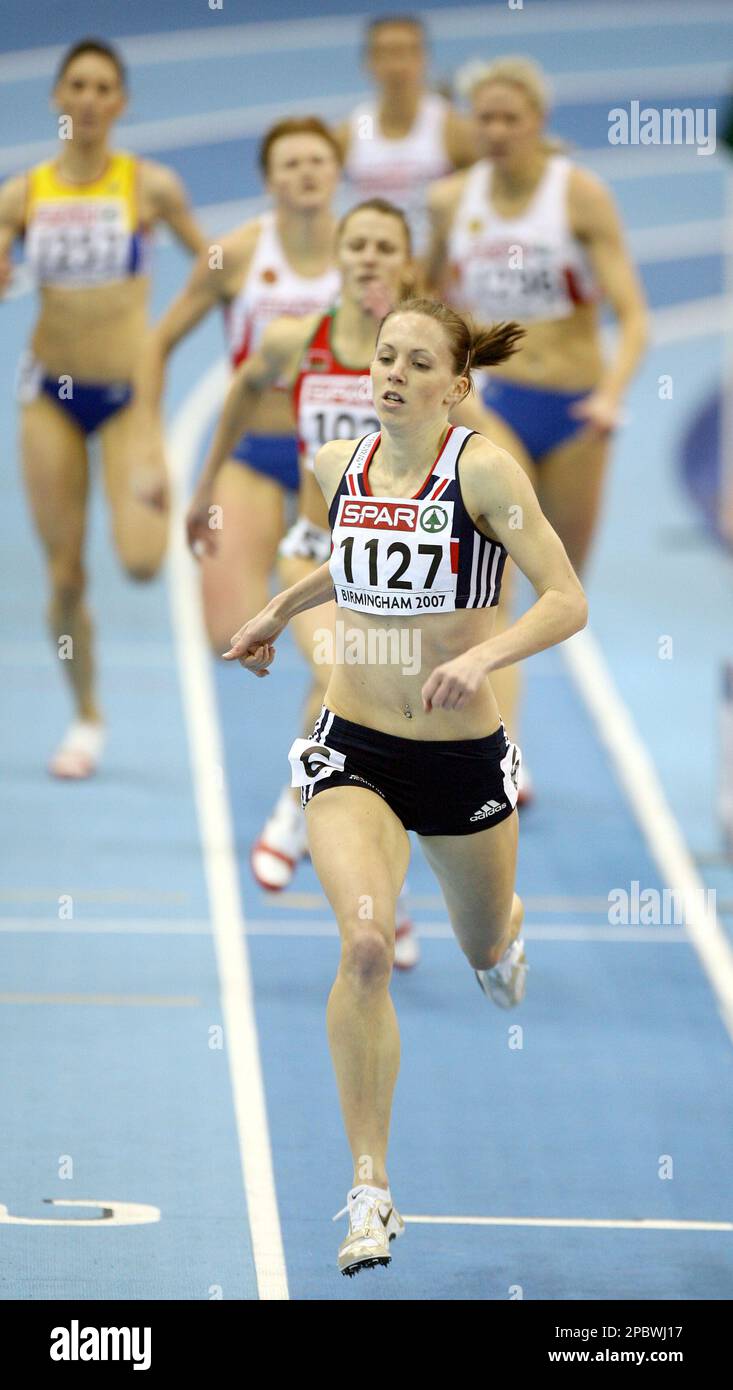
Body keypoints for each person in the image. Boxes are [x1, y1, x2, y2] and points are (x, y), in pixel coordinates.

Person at [222, 298, 588, 1275]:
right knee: (368, 944)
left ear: (454, 386)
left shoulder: (482, 471)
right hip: (357, 751)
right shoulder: (339, 468)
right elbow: (335, 568)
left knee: (480, 946)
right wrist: (269, 611)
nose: (389, 373)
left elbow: (566, 598)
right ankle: (370, 1190)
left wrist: (488, 657)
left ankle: (502, 931)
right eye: (383, 356)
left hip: (460, 759)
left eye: (416, 361)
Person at [188, 198, 420, 967]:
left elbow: (474, 442)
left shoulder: (424, 355)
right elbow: (241, 389)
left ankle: (386, 896)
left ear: (404, 261)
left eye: (384, 246)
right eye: (357, 244)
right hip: (317, 549)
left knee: (392, 725)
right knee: (340, 677)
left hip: (401, 570)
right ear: (341, 256)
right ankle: (295, 816)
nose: (368, 257)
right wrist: (205, 484)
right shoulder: (297, 340)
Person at [427, 56, 648, 799]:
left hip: (577, 406)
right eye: (481, 118)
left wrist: (611, 395)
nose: (493, 131)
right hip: (496, 403)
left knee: (560, 585)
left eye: (507, 118)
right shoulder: (450, 200)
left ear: (537, 123)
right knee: (500, 579)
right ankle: (500, 748)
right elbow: (426, 303)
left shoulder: (578, 197)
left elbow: (635, 313)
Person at [0, 37, 205, 778]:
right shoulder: (24, 194)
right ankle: (87, 717)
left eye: (102, 88)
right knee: (65, 578)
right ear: (57, 98)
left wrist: (166, 344)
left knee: (145, 563)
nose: (87, 100)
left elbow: (213, 268)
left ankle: (152, 475)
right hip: (52, 397)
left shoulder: (149, 186)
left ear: (119, 104)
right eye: (76, 86)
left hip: (125, 398)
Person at [133, 117, 342, 650]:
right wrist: (150, 449)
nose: (306, 173)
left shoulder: (369, 256)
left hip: (344, 462)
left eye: (318, 160)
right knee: (228, 636)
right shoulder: (236, 256)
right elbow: (156, 344)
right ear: (269, 182)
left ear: (337, 171)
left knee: (345, 647)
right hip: (255, 450)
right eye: (291, 164)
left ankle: (330, 714)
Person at [336, 15, 477, 258]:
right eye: (386, 53)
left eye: (405, 52)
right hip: (374, 264)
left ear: (423, 58)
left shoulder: (449, 126)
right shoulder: (354, 130)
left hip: (432, 266)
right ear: (369, 62)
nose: (397, 65)